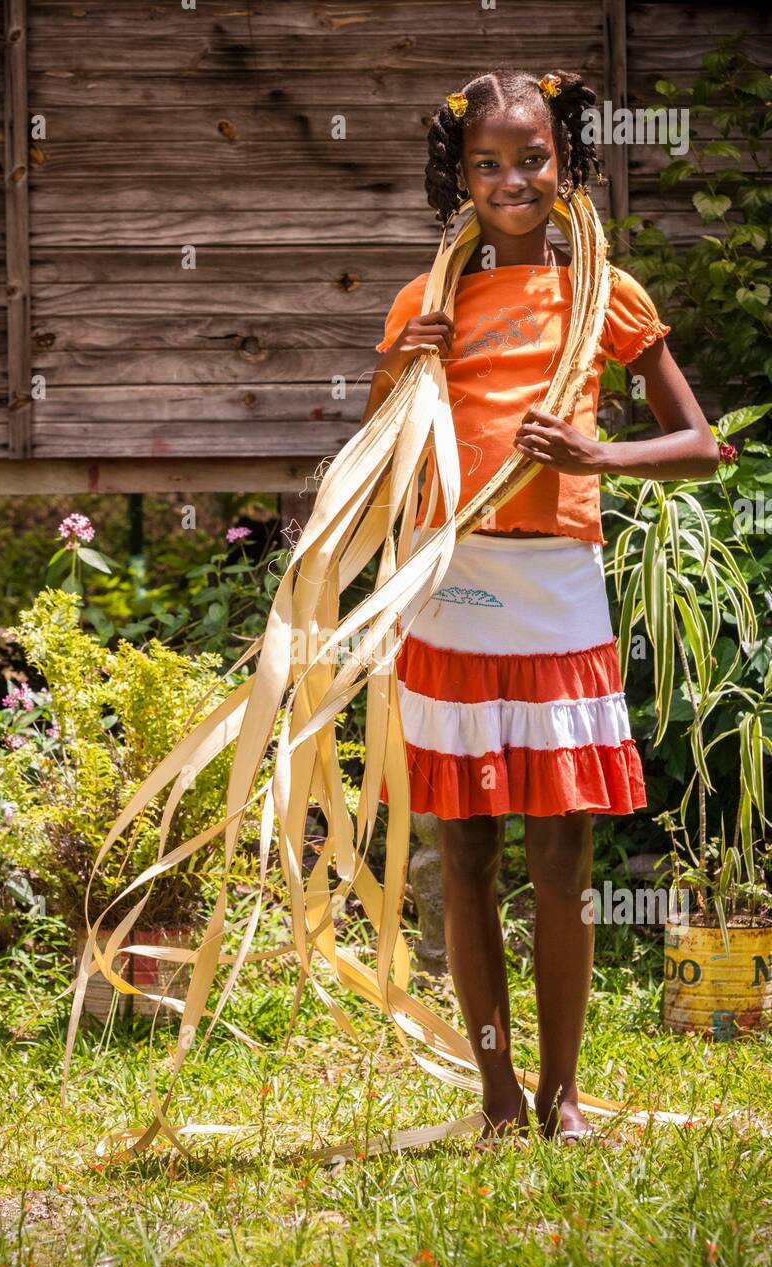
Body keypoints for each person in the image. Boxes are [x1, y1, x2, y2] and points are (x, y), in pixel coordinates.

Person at [360, 69, 718, 1146]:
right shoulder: (426, 302)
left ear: (565, 167)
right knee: (462, 856)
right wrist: (394, 374)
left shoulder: (603, 295)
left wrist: (597, 451)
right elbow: (379, 458)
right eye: (486, 163)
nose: (509, 179)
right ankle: (497, 1096)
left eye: (530, 159)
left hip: (557, 592)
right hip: (453, 586)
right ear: (457, 175)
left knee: (560, 863)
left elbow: (699, 447)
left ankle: (563, 1098)